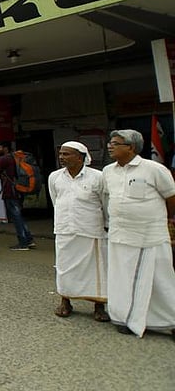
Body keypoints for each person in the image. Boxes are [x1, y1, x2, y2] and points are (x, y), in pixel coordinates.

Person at [101, 129, 175, 340]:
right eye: (110, 143)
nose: (109, 146)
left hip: (149, 234)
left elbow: (171, 198)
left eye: (115, 143)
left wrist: (161, 219)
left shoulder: (153, 169)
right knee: (121, 277)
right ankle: (123, 317)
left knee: (160, 278)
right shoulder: (108, 171)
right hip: (120, 234)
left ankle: (168, 321)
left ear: (131, 147)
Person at [48, 141, 109, 322]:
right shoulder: (55, 177)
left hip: (91, 230)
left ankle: (99, 306)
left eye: (66, 154)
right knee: (65, 268)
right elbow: (56, 201)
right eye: (61, 154)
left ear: (81, 157)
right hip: (65, 230)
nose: (62, 157)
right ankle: (66, 302)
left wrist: (106, 225)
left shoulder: (97, 177)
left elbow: (105, 203)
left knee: (96, 271)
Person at [0, 141, 36, 250]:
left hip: (10, 191)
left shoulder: (3, 159)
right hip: (18, 190)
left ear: (6, 148)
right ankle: (29, 239)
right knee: (19, 216)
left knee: (16, 218)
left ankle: (23, 242)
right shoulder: (14, 158)